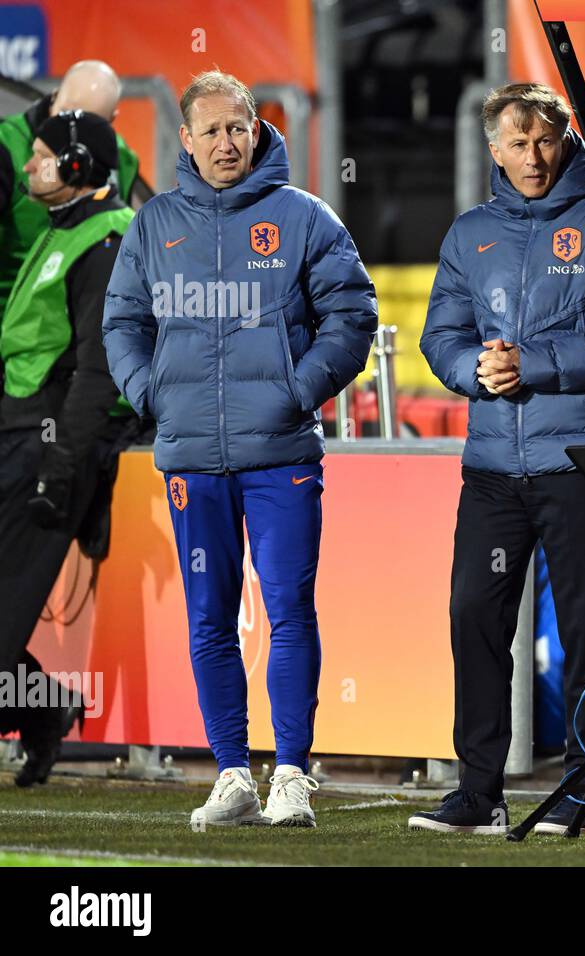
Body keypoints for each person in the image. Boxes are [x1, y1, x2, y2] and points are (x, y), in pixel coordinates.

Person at [103, 71, 377, 828]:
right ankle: (232, 774)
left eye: (239, 127)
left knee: (289, 610)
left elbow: (352, 314)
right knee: (208, 620)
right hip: (191, 454)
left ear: (258, 130)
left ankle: (291, 773)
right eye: (211, 131)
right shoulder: (154, 225)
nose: (227, 142)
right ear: (184, 140)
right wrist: (150, 393)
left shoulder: (304, 218)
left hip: (282, 452)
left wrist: (301, 388)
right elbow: (121, 323)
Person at [412, 83, 585, 836]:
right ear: (493, 150)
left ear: (567, 138)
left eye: (545, 140)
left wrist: (536, 364)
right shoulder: (470, 233)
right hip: (493, 465)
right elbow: (441, 333)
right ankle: (478, 790)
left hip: (583, 458)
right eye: (517, 144)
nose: (533, 156)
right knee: (474, 616)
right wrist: (472, 370)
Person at [0, 111, 136, 786]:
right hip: (15, 432)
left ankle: (43, 708)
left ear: (78, 165)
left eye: (44, 157)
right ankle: (44, 706)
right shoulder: (65, 228)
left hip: (43, 447)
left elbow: (97, 371)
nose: (29, 165)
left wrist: (60, 467)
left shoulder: (106, 242)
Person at [0, 60, 140, 314]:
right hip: (13, 329)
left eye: (89, 122)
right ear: (53, 96)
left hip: (83, 319)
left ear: (110, 120)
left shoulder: (122, 160)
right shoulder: (6, 146)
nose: (70, 134)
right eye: (65, 114)